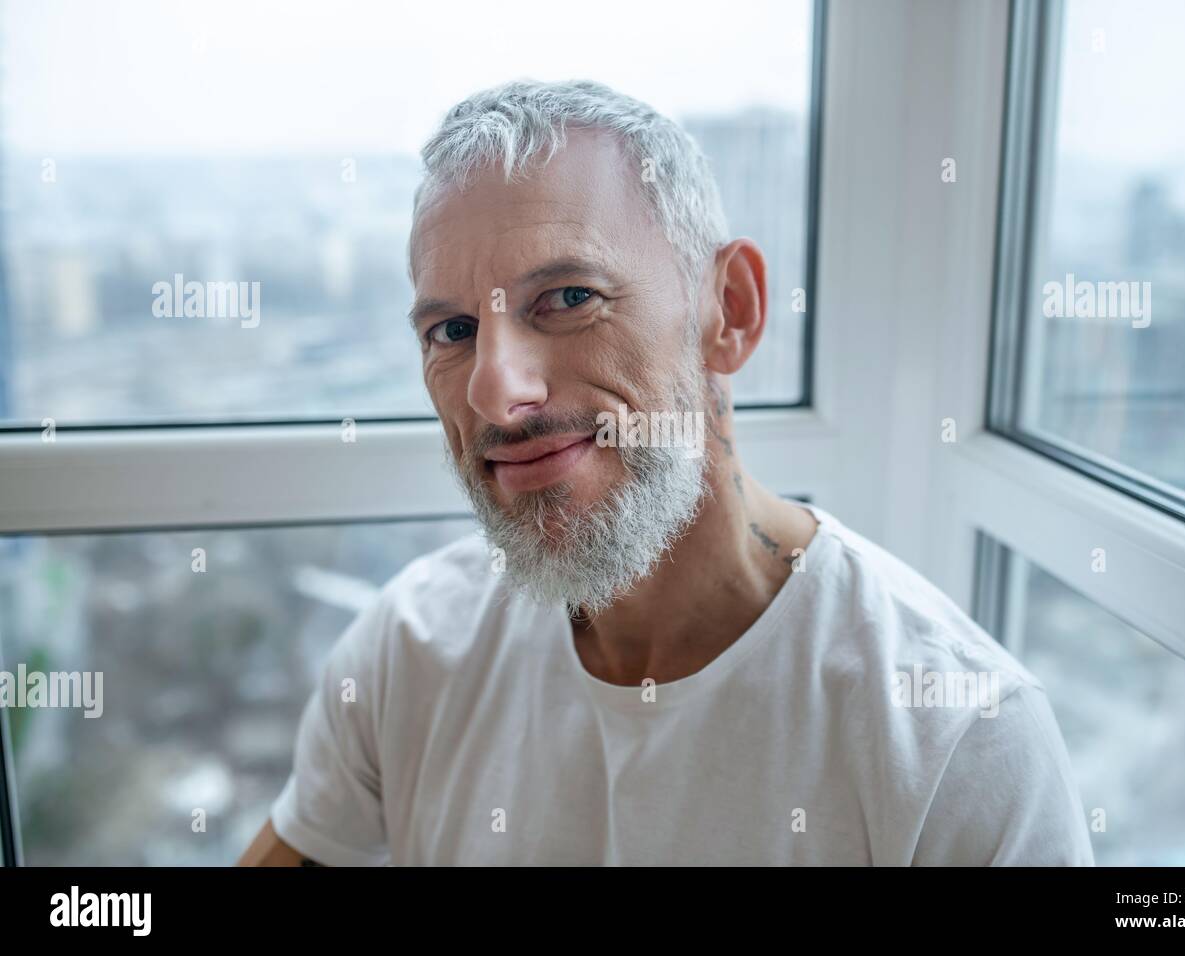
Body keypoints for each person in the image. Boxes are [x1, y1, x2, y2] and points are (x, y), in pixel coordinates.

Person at [238, 79, 1094, 866]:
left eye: (570, 298)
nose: (498, 395)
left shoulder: (959, 739)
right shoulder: (410, 650)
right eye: (452, 332)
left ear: (732, 311)